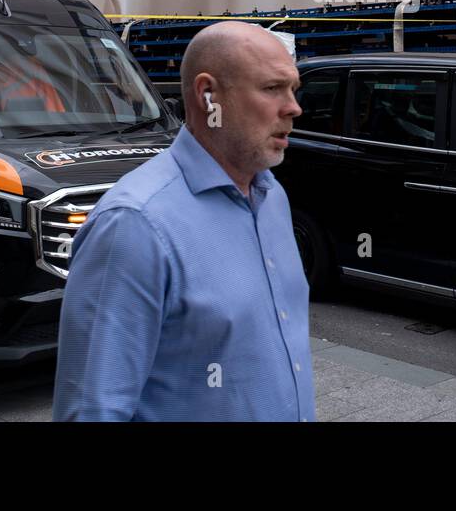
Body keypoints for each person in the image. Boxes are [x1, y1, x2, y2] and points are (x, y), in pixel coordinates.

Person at [53, 21, 313, 421]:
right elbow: (93, 410)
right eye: (271, 88)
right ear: (208, 95)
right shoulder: (134, 225)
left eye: (293, 88)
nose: (293, 106)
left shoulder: (271, 195)